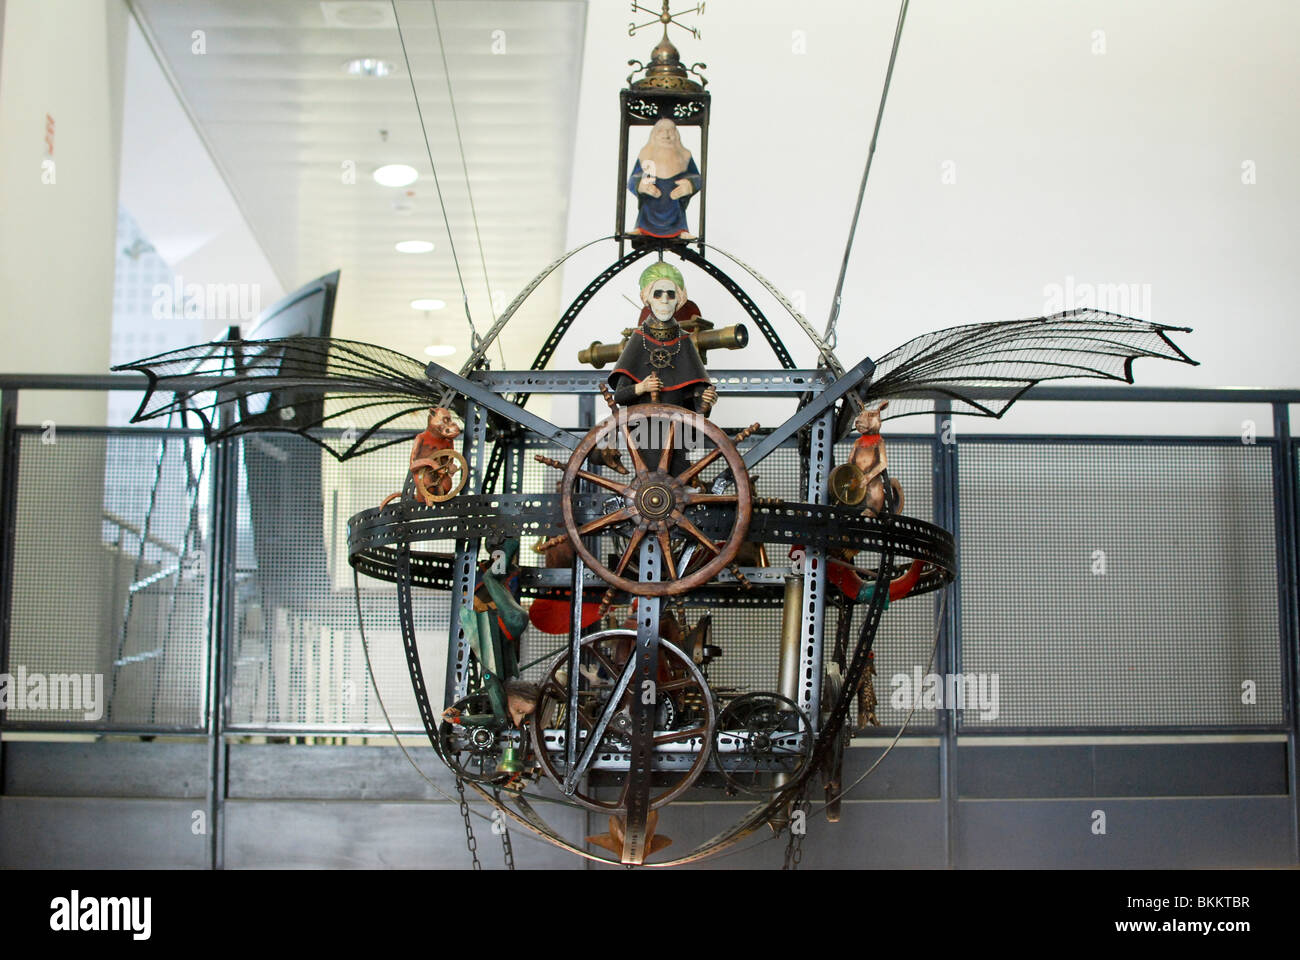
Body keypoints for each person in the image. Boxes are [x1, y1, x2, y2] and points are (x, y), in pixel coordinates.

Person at [627, 119, 701, 239]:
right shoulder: (646, 154)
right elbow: (632, 180)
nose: (666, 135)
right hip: (652, 196)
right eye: (661, 131)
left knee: (677, 202)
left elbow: (697, 178)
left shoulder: (685, 155)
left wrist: (690, 185)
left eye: (671, 131)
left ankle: (682, 229)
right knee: (647, 202)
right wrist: (640, 185)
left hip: (674, 199)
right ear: (654, 134)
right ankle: (641, 227)